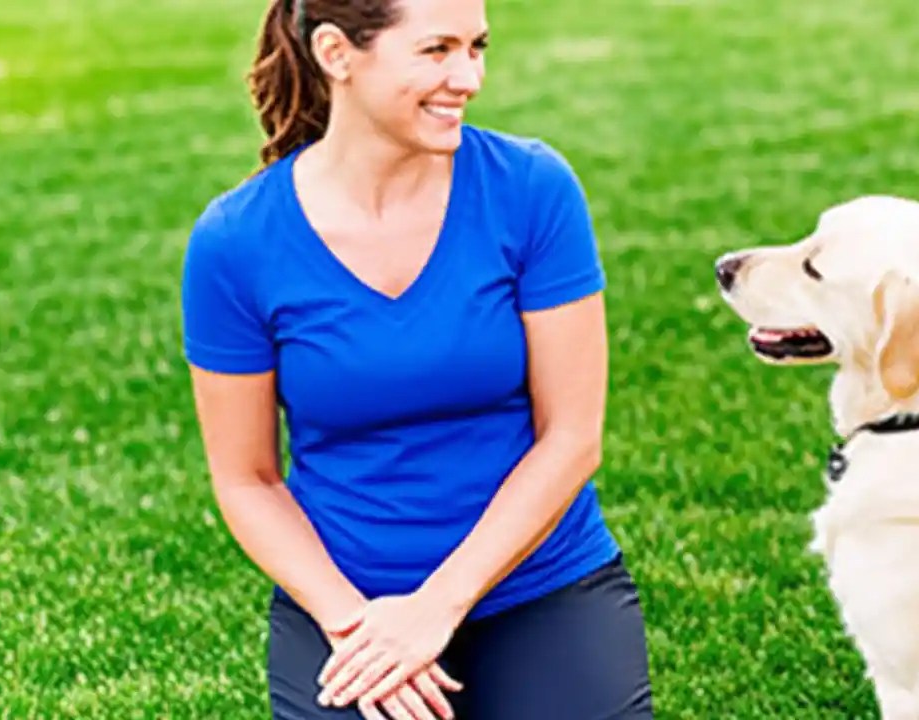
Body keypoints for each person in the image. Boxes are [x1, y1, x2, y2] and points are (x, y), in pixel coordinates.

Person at [178, 0, 655, 717]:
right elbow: (246, 479)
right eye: (437, 51)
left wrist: (434, 608)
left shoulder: (530, 190)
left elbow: (572, 439)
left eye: (478, 46)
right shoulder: (236, 241)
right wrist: (356, 627)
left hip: (541, 584)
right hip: (347, 607)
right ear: (338, 54)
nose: (469, 76)